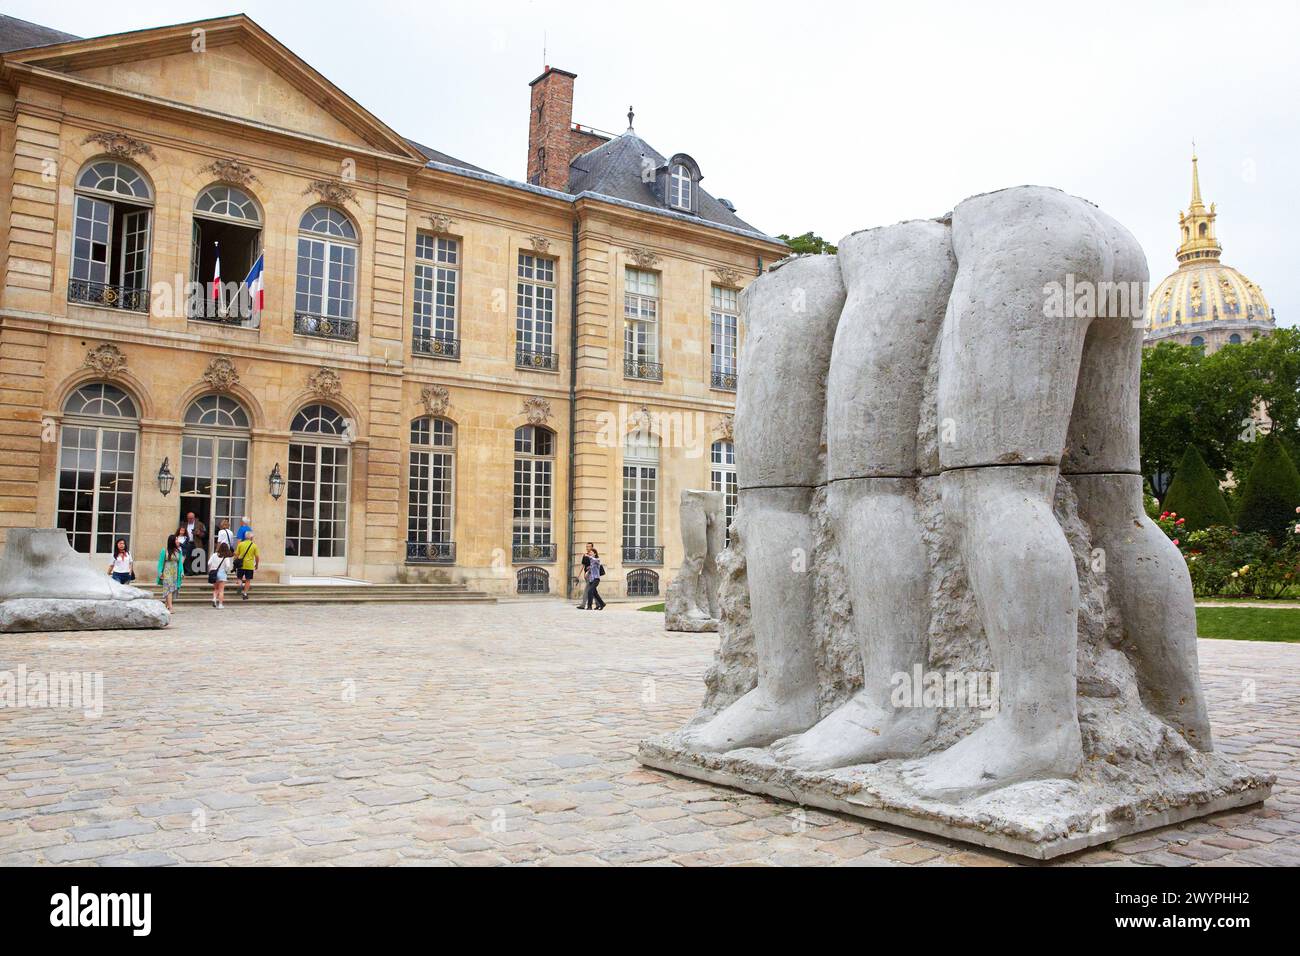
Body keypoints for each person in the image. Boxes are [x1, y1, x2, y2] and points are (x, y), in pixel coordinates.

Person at [156, 534, 184, 612]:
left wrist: (182, 572)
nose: (178, 541)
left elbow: (180, 563)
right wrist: (160, 573)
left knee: (172, 589)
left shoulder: (178, 551)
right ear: (172, 541)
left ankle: (166, 605)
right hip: (167, 572)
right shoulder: (164, 550)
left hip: (175, 573)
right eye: (176, 540)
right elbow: (160, 563)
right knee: (169, 589)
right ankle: (171, 607)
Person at [234, 531, 260, 601]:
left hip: (240, 564)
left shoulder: (240, 544)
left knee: (239, 578)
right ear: (251, 537)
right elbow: (257, 557)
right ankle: (245, 594)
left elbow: (236, 554)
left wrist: (235, 561)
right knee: (248, 580)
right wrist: (256, 565)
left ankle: (240, 585)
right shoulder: (254, 545)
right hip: (249, 565)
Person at [208, 542, 233, 608]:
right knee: (221, 590)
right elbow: (228, 566)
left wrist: (212, 568)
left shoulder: (214, 555)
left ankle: (214, 599)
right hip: (222, 573)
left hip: (214, 573)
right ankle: (220, 605)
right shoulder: (226, 557)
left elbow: (209, 563)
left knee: (216, 589)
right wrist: (226, 571)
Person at [576, 542, 595, 609]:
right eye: (586, 547)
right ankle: (599, 604)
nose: (587, 548)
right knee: (593, 590)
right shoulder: (585, 555)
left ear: (592, 547)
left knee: (586, 590)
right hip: (586, 575)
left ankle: (583, 605)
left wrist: (588, 571)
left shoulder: (594, 555)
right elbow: (583, 566)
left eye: (589, 546)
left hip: (592, 575)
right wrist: (579, 574)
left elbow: (595, 565)